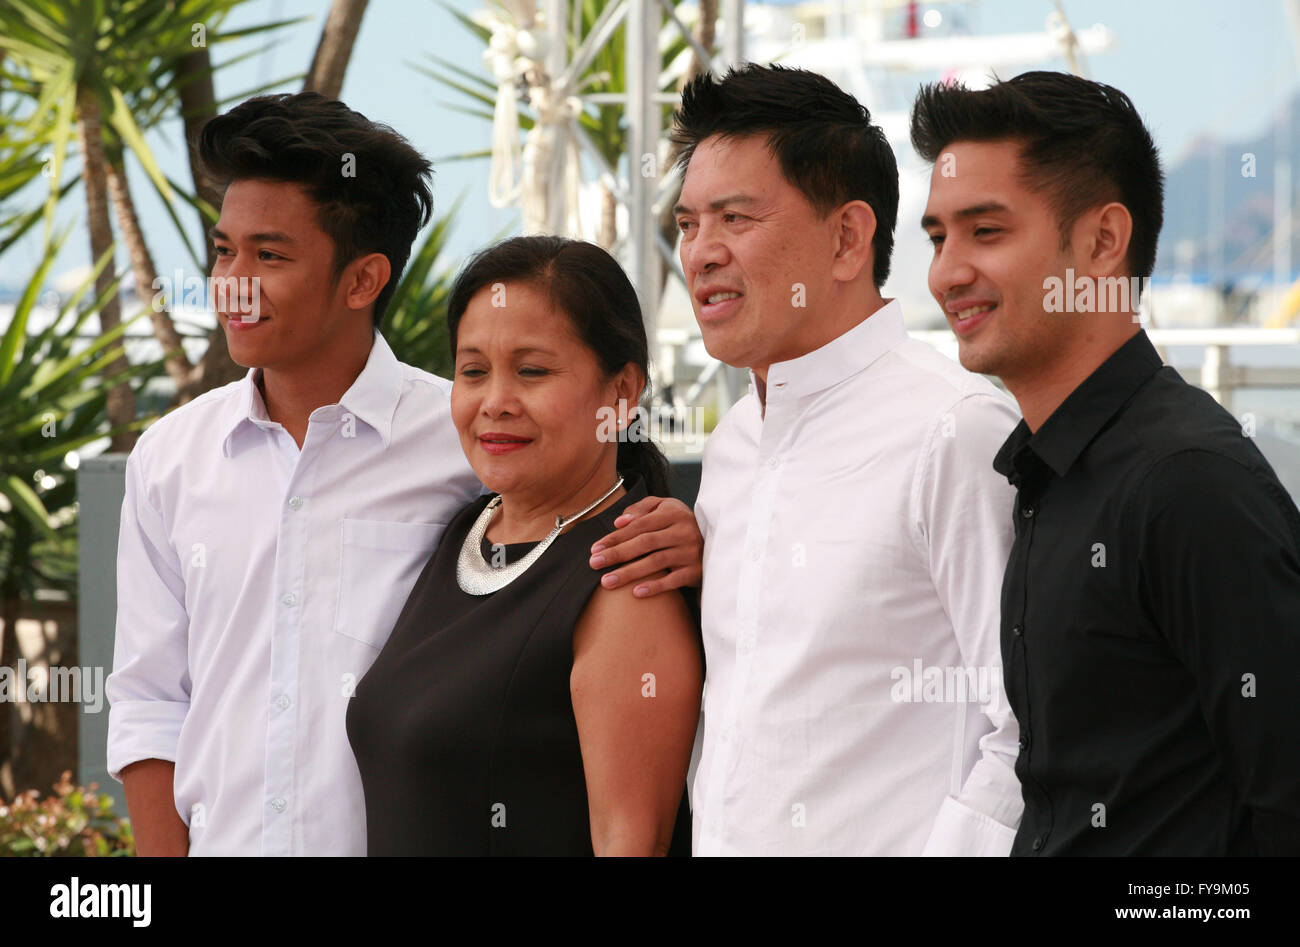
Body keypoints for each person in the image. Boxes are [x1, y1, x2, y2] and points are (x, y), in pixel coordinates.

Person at [105, 93, 704, 856]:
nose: (233, 283)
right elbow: (151, 704)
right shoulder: (169, 459)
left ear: (363, 280)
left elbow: (574, 529)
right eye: (224, 251)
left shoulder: (466, 443)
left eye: (270, 255)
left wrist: (684, 536)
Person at [912, 70, 1300, 855]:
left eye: (986, 231)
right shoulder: (1045, 472)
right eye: (937, 236)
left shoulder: (1187, 480)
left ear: (1101, 241)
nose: (946, 272)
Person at [670, 64, 1024, 856]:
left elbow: (1030, 729)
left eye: (734, 217)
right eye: (689, 223)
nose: (700, 252)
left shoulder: (956, 429)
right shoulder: (730, 446)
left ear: (847, 237)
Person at [346, 236, 702, 856]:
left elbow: (630, 844)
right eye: (473, 371)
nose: (495, 403)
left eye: (532, 371)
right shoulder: (463, 531)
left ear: (620, 394)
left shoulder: (625, 580)